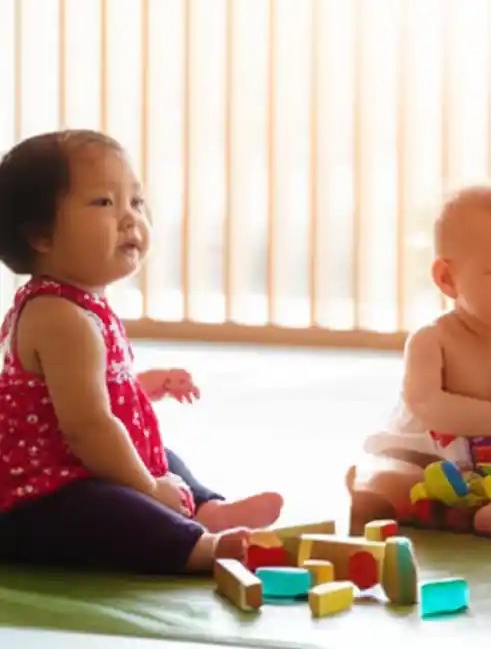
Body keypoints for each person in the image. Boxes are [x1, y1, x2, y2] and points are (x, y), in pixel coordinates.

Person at [0, 130, 283, 574]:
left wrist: (145, 387)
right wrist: (148, 488)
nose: (130, 219)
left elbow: (93, 393)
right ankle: (199, 547)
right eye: (104, 203)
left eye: (135, 201)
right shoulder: (59, 318)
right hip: (38, 498)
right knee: (109, 509)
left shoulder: (80, 305)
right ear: (41, 235)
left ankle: (205, 509)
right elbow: (88, 427)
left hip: (76, 464)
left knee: (163, 455)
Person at [348, 185, 491, 540]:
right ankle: (473, 518)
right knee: (382, 479)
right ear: (447, 279)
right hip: (425, 459)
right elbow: (429, 406)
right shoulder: (433, 339)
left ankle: (490, 510)